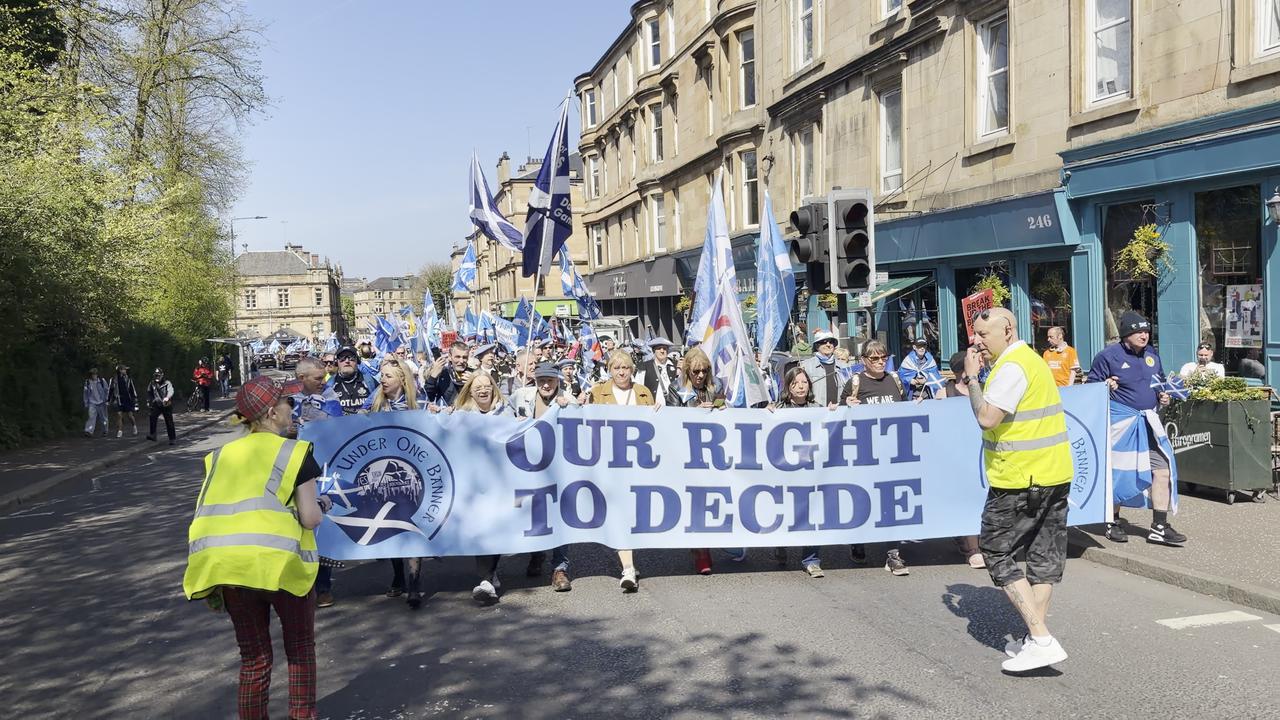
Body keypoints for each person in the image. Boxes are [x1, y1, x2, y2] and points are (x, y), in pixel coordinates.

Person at [182, 375, 329, 720]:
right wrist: (322, 505)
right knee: (300, 651)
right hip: (280, 566)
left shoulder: (219, 456)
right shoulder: (295, 452)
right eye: (285, 403)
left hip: (228, 569)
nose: (291, 408)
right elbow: (309, 518)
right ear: (269, 413)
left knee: (254, 658)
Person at [962, 306, 1072, 672]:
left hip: (1020, 480)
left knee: (995, 551)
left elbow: (987, 418)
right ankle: (1034, 639)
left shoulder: (1010, 367)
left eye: (984, 335)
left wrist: (972, 380)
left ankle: (1041, 638)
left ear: (1008, 330)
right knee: (1042, 559)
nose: (977, 342)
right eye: (976, 334)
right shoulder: (1030, 360)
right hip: (1053, 475)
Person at [1088, 311, 1186, 546]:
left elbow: (1159, 382)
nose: (1144, 335)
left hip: (1149, 423)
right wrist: (1105, 385)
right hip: (1122, 426)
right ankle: (1113, 520)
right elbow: (1090, 389)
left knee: (1162, 470)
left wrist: (1163, 397)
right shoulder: (1107, 356)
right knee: (1120, 472)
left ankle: (1159, 527)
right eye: (1138, 331)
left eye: (1146, 331)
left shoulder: (1152, 355)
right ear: (1125, 334)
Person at [840, 339, 910, 576]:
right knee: (864, 501)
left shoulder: (895, 380)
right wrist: (847, 405)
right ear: (863, 361)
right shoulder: (856, 382)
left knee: (890, 502)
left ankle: (893, 554)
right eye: (874, 358)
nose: (880, 362)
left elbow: (907, 411)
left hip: (892, 454)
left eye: (884, 358)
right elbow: (840, 416)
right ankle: (858, 541)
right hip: (864, 454)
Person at [364, 357, 430, 608]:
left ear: (402, 379)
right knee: (390, 526)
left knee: (413, 525)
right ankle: (398, 575)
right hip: (383, 474)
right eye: (381, 376)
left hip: (414, 475)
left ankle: (414, 583)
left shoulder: (420, 404)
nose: (382, 379)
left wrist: (437, 414)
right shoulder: (373, 406)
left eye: (388, 376)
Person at [589, 350, 655, 591]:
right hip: (610, 462)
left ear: (632, 370)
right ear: (609, 370)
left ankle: (628, 563)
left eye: (625, 367)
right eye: (616, 368)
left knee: (634, 513)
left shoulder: (643, 393)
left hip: (638, 463)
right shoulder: (598, 392)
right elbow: (586, 423)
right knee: (620, 513)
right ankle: (628, 567)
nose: (621, 372)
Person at [511, 363, 578, 591]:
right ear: (535, 381)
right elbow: (500, 414)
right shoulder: (521, 396)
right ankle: (536, 554)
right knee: (532, 514)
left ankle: (560, 568)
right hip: (528, 468)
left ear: (558, 380)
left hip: (559, 469)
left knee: (560, 517)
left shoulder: (569, 400)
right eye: (541, 381)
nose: (546, 385)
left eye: (550, 380)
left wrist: (570, 407)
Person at [670, 347, 728, 574]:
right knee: (695, 502)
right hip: (688, 452)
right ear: (687, 371)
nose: (700, 375)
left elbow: (726, 411)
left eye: (704, 371)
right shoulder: (676, 389)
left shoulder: (718, 387)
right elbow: (671, 419)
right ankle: (701, 551)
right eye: (695, 371)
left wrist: (714, 409)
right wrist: (695, 411)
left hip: (714, 452)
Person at [771, 366, 828, 577]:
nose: (800, 386)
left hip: (811, 473)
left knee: (812, 514)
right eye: (795, 383)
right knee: (785, 513)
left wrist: (835, 414)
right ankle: (780, 544)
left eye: (804, 382)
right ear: (788, 387)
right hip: (785, 472)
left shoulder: (818, 408)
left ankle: (811, 560)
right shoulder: (779, 409)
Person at [938, 351, 988, 570]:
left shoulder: (988, 390)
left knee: (984, 500)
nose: (981, 364)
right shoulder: (944, 393)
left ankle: (980, 542)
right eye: (976, 362)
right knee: (965, 499)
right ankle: (972, 548)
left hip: (984, 453)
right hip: (956, 455)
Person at [799, 330, 848, 408]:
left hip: (839, 413)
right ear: (817, 346)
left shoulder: (844, 367)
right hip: (816, 413)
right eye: (824, 342)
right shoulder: (806, 365)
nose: (828, 344)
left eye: (831, 342)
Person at [329, 346, 376, 415]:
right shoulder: (330, 384)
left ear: (357, 361)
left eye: (351, 357)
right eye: (342, 358)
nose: (347, 361)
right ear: (337, 362)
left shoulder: (368, 380)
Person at [424, 341, 470, 407]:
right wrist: (433, 376)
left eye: (464, 357)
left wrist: (474, 383)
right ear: (450, 357)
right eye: (457, 357)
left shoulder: (473, 374)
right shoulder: (442, 374)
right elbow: (429, 397)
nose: (461, 361)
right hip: (447, 415)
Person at [639, 337, 680, 406]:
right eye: (659, 348)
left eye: (664, 348)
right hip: (652, 409)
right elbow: (639, 389)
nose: (662, 351)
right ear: (653, 350)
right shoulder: (645, 366)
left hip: (673, 409)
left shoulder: (676, 366)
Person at [147, 368, 176, 445]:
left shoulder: (167, 383)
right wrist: (150, 401)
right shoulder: (152, 383)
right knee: (152, 416)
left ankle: (172, 438)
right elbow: (149, 392)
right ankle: (153, 434)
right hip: (157, 404)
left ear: (162, 375)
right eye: (156, 375)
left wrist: (167, 397)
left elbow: (171, 390)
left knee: (169, 421)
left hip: (166, 404)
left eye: (158, 375)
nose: (157, 377)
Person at [109, 364, 139, 438]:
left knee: (130, 415)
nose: (125, 371)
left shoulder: (128, 378)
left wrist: (135, 398)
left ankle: (134, 426)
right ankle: (120, 431)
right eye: (124, 369)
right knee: (119, 415)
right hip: (119, 399)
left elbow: (132, 389)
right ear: (120, 370)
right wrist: (109, 400)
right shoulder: (114, 379)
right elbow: (111, 390)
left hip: (127, 399)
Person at [83, 368, 110, 438]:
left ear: (97, 375)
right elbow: (85, 393)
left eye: (95, 374)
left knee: (103, 418)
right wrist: (86, 403)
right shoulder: (88, 382)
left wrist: (107, 400)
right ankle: (89, 431)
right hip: (92, 402)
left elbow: (107, 390)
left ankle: (105, 430)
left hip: (102, 402)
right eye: (92, 374)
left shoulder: (102, 381)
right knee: (91, 417)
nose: (94, 376)